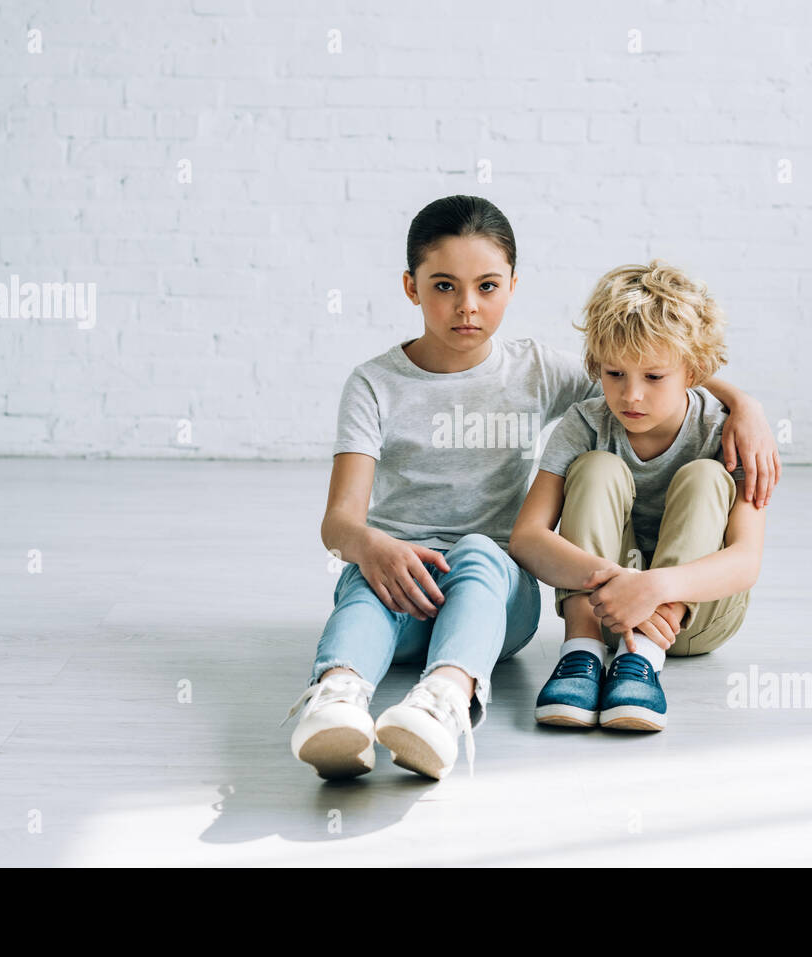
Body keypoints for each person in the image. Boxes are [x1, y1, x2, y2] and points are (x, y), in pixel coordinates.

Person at [282, 199, 779, 780]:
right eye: (444, 285)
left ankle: (444, 703)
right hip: (408, 575)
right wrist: (373, 547)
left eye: (487, 286)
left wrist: (746, 404)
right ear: (410, 287)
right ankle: (336, 700)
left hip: (522, 591)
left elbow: (654, 356)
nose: (467, 306)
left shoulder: (539, 370)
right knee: (366, 580)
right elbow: (339, 523)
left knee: (482, 549)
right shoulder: (374, 383)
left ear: (512, 286)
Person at [509, 259, 769, 733]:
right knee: (596, 468)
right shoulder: (585, 424)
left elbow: (746, 561)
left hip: (696, 620)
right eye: (614, 374)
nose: (632, 396)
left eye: (654, 377)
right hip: (603, 612)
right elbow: (526, 537)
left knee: (707, 476)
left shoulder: (724, 430)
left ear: (692, 370)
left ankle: (643, 661)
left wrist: (655, 589)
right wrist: (616, 582)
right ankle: (580, 656)